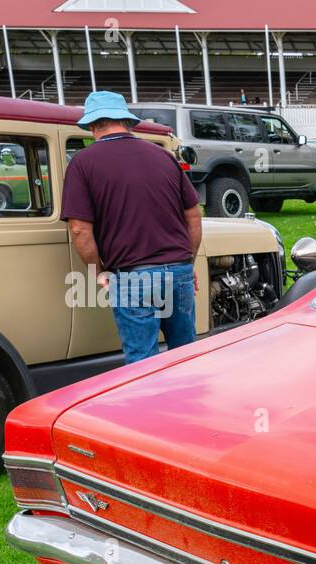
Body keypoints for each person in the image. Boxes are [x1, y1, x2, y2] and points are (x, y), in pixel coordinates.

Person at [62, 91, 202, 365]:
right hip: (179, 270)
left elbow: (79, 230)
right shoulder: (163, 156)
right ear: (126, 122)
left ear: (93, 126)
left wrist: (98, 272)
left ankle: (148, 407)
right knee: (185, 357)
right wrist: (188, 263)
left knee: (142, 363)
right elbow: (194, 217)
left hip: (132, 277)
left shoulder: (83, 162)